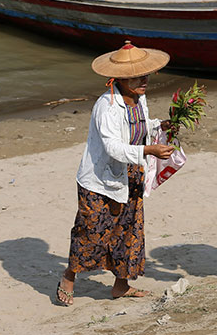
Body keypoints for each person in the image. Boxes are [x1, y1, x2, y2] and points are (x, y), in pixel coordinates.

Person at [56, 41, 176, 306]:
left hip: (130, 173)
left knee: (129, 230)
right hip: (99, 180)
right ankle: (69, 276)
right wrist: (149, 150)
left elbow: (139, 126)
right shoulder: (106, 106)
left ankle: (121, 286)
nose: (143, 80)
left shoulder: (139, 98)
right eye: (137, 77)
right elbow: (112, 147)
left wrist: (159, 125)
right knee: (91, 231)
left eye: (145, 75)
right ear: (120, 79)